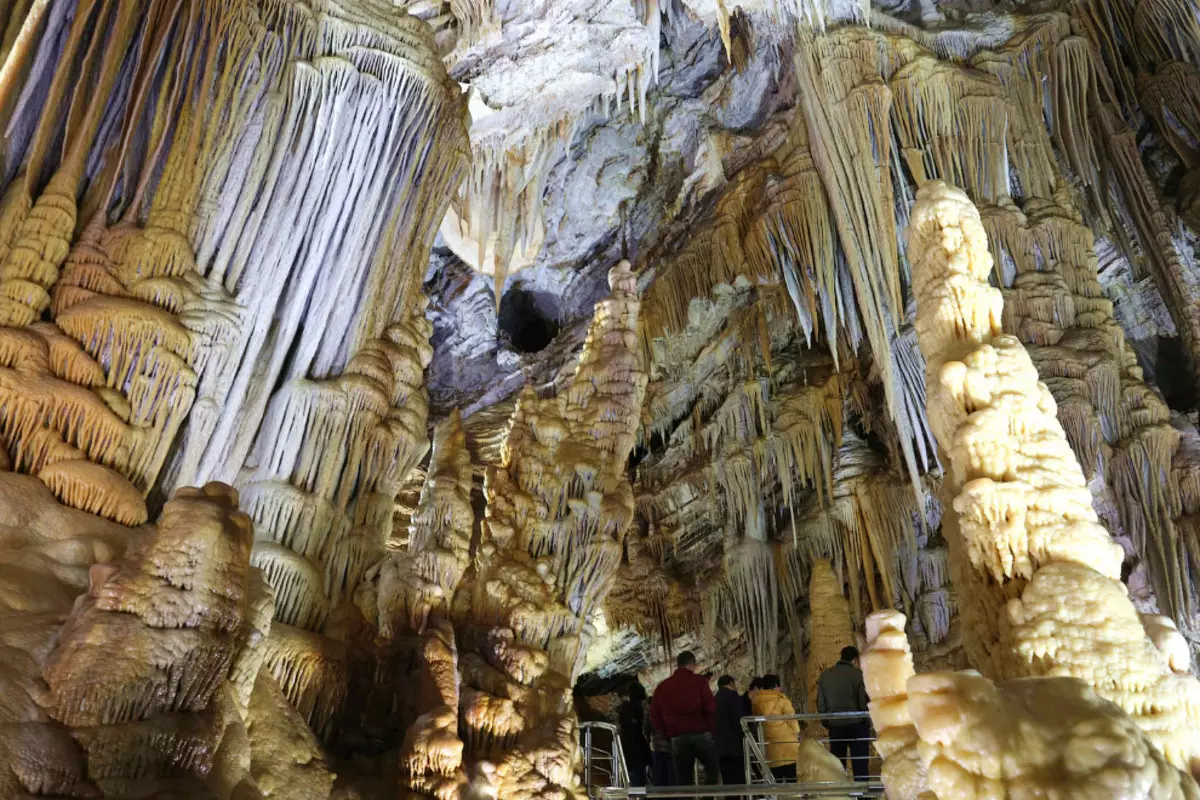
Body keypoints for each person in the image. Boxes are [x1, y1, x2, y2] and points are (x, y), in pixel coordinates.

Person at [650, 651, 721, 792]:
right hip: (701, 735)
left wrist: (667, 735)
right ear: (692, 664)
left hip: (678, 738)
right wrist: (711, 730)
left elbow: (654, 715)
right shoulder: (700, 682)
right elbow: (711, 707)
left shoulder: (663, 686)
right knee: (713, 771)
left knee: (684, 781)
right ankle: (708, 797)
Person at [817, 646, 871, 781]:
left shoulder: (825, 676)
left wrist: (828, 723)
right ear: (854, 660)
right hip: (857, 726)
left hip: (835, 726)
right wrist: (867, 722)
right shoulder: (858, 675)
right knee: (860, 767)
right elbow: (862, 702)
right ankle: (863, 796)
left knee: (837, 768)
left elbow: (821, 704)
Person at [749, 674, 799, 782]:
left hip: (770, 749)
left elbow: (756, 721)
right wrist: (797, 733)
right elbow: (792, 720)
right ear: (776, 685)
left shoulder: (756, 702)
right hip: (788, 747)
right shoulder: (782, 700)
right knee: (792, 782)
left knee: (776, 783)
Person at [714, 675, 746, 789]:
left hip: (720, 748)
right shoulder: (732, 695)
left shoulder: (715, 698)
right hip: (734, 747)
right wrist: (744, 735)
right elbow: (739, 719)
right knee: (738, 781)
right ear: (731, 683)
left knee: (728, 782)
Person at [617, 683, 652, 787]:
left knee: (636, 775)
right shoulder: (634, 708)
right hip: (636, 746)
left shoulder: (626, 708)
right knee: (638, 775)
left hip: (630, 746)